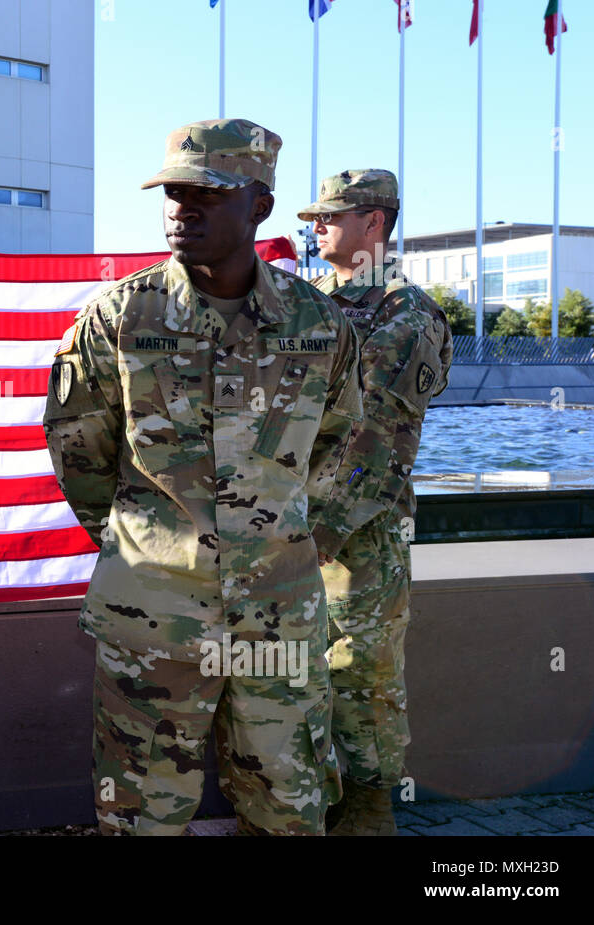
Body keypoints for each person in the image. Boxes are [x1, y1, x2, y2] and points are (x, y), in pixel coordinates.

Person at [43, 118, 363, 835]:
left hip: (278, 619)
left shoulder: (317, 324)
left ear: (260, 207)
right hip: (154, 618)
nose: (181, 209)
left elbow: (338, 445)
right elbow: (79, 450)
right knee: (141, 818)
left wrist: (269, 532)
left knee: (289, 812)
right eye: (173, 193)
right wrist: (153, 544)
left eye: (206, 195)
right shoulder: (118, 319)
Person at [299, 169, 452, 835]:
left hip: (356, 541)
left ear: (374, 223)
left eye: (330, 215)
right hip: (290, 532)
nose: (316, 226)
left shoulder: (405, 312)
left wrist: (314, 537)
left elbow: (378, 442)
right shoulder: (304, 301)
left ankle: (366, 813)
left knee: (360, 681)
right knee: (296, 683)